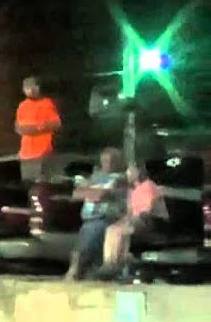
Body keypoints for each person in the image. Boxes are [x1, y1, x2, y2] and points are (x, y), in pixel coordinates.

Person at [65, 147, 127, 281]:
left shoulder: (120, 179)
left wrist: (88, 191)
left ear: (117, 162)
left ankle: (75, 273)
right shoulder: (96, 177)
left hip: (106, 219)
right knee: (87, 249)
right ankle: (83, 274)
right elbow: (76, 194)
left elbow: (101, 195)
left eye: (111, 161)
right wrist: (91, 192)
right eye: (104, 160)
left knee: (84, 248)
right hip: (90, 219)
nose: (107, 164)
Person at [100, 164, 168, 276]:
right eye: (128, 172)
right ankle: (109, 263)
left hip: (151, 221)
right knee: (111, 229)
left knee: (121, 230)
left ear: (139, 173)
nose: (128, 175)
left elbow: (146, 212)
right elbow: (130, 212)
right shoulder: (133, 191)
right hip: (137, 220)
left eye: (131, 172)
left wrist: (128, 221)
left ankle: (115, 264)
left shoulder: (148, 186)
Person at [15, 76, 61, 184]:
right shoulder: (22, 106)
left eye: (33, 87)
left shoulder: (47, 103)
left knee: (42, 184)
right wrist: (33, 128)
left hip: (42, 153)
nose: (30, 90)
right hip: (25, 155)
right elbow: (18, 127)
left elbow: (56, 123)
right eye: (27, 88)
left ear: (38, 88)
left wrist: (35, 128)